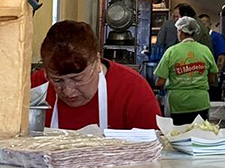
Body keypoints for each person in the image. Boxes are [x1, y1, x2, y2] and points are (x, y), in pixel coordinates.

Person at [31, 21, 160, 130]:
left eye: (77, 79)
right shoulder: (35, 88)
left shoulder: (133, 90)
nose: (68, 92)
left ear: (97, 62)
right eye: (57, 81)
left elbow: (154, 151)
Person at [154, 16, 218, 124]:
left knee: (178, 135)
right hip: (200, 102)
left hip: (178, 104)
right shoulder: (205, 50)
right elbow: (212, 79)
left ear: (181, 31)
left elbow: (160, 82)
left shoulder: (171, 51)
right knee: (200, 133)